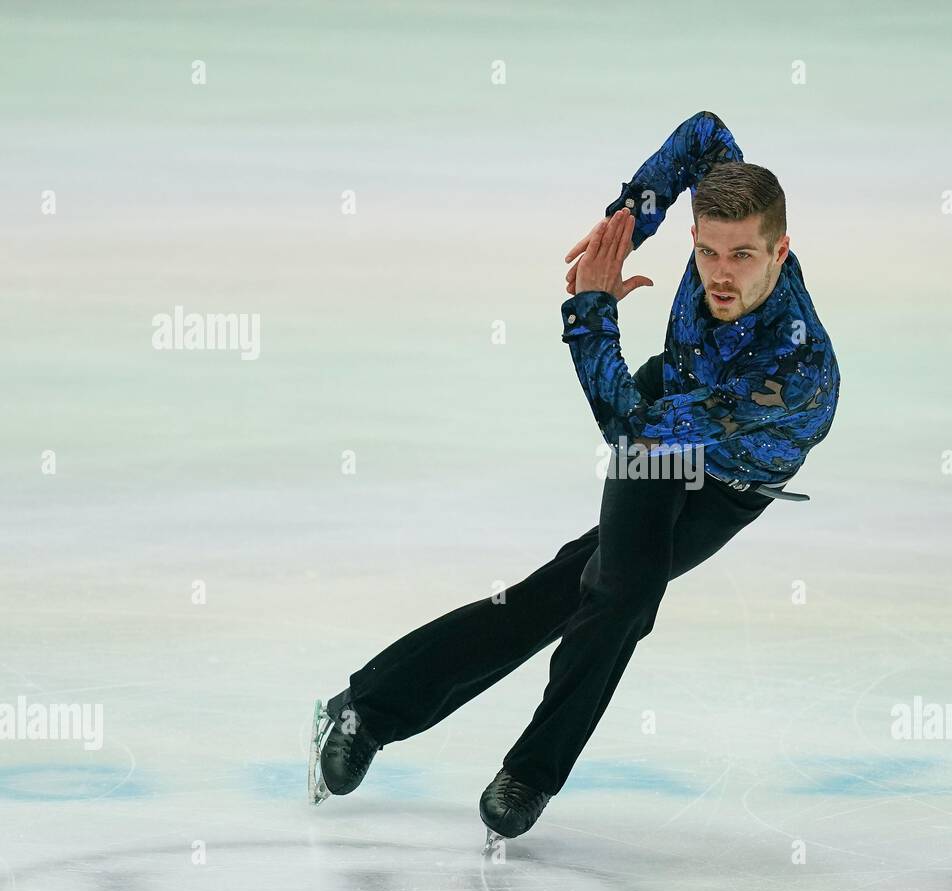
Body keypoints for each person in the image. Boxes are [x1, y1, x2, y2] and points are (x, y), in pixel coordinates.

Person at [308, 111, 841, 845]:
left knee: (575, 594)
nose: (721, 273)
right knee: (620, 595)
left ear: (782, 251)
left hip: (730, 480)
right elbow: (704, 134)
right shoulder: (727, 208)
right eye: (710, 251)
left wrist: (591, 309)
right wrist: (621, 226)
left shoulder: (799, 370)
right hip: (661, 415)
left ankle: (373, 711)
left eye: (744, 256)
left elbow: (628, 433)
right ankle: (442, 742)